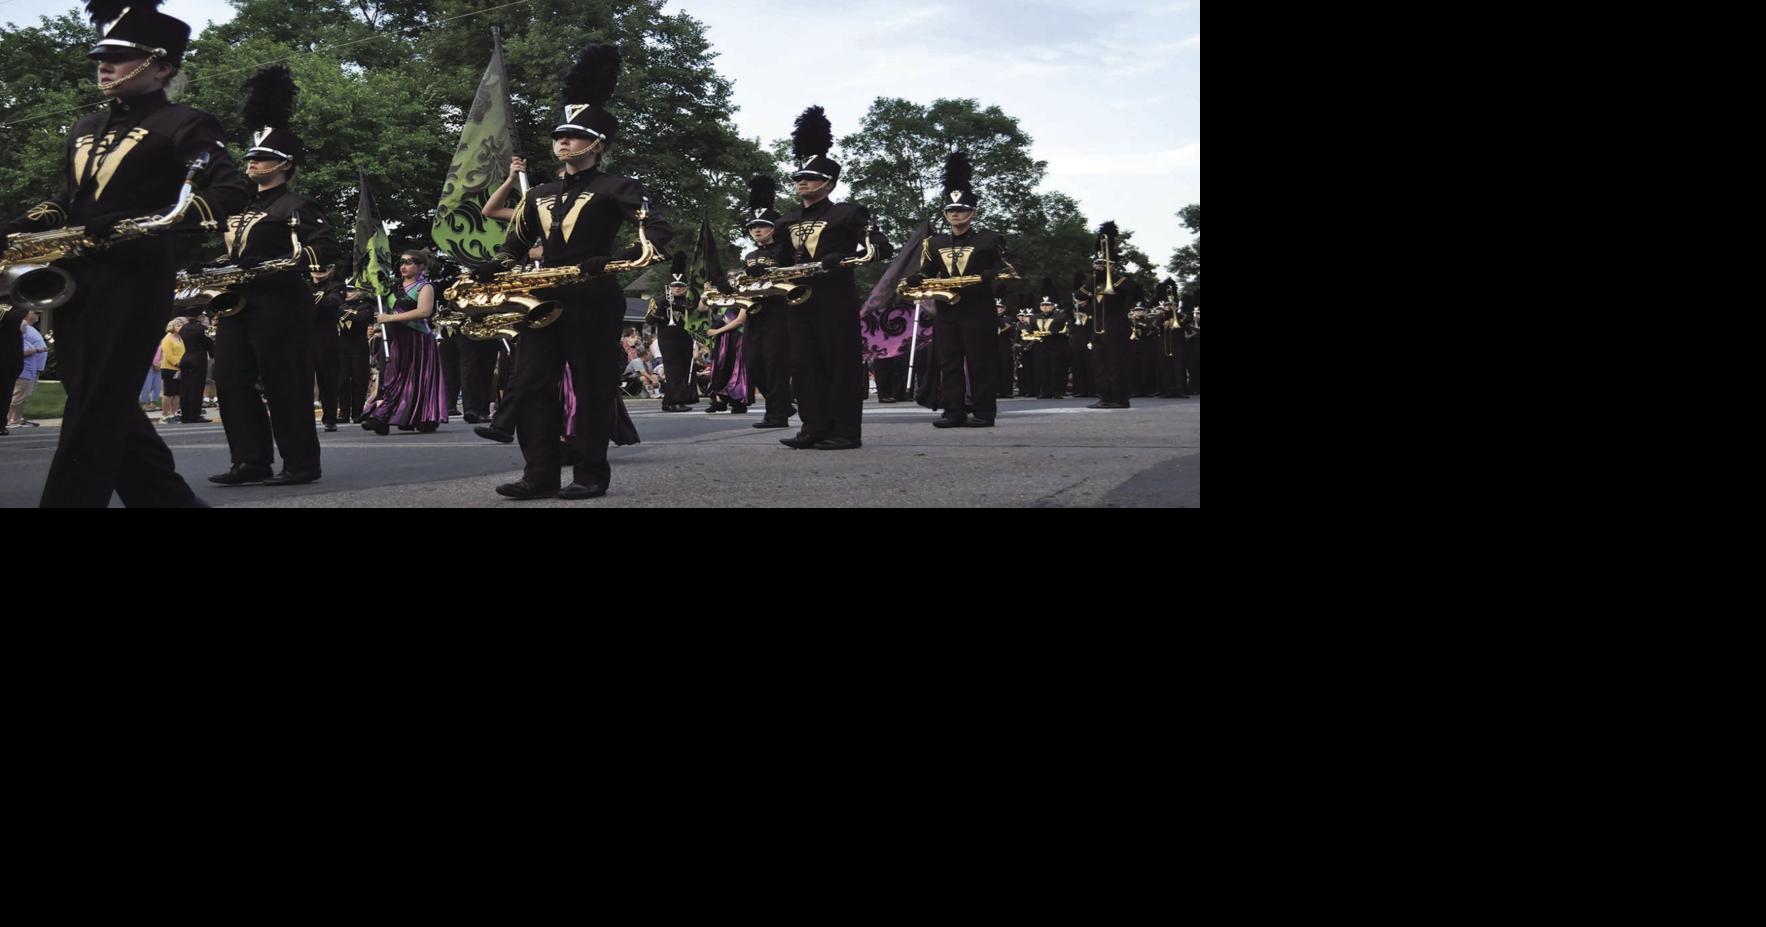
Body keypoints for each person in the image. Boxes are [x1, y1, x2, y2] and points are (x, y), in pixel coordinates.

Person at [0, 0, 250, 506]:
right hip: (73, 276)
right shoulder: (84, 126)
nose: (104, 65)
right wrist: (20, 227)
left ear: (161, 66)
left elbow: (231, 191)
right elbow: (68, 201)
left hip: (134, 275)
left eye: (118, 57)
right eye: (101, 56)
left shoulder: (187, 122)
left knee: (95, 404)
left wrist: (154, 223)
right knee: (99, 397)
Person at [475, 43, 671, 500]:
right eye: (560, 135)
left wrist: (622, 257)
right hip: (543, 296)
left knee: (592, 386)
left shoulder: (618, 187)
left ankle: (590, 475)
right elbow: (516, 243)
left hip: (593, 293)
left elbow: (654, 228)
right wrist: (498, 266)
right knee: (531, 383)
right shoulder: (539, 191)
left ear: (597, 143)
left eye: (575, 135)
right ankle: (537, 473)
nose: (563, 142)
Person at [206, 66, 339, 487]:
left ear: (284, 165)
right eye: (251, 157)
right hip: (236, 303)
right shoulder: (239, 206)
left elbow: (324, 246)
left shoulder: (297, 204)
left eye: (262, 157)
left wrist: (278, 263)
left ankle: (301, 464)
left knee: (285, 384)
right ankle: (250, 461)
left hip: (280, 302)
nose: (253, 162)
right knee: (230, 381)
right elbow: (227, 248)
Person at [766, 106, 888, 451]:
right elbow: (781, 258)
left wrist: (843, 259)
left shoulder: (848, 212)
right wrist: (765, 267)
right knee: (803, 364)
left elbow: (879, 247)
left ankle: (845, 431)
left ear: (829, 183)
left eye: (810, 178)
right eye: (798, 178)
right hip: (799, 300)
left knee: (840, 363)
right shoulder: (785, 221)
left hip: (835, 299)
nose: (801, 182)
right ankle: (813, 427)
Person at [906, 151, 1009, 429]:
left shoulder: (989, 239)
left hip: (978, 307)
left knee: (980, 361)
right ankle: (953, 411)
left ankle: (984, 412)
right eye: (951, 211)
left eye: (961, 210)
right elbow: (928, 270)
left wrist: (990, 275)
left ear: (972, 212)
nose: (955, 214)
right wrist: (918, 277)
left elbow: (1011, 267)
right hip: (947, 309)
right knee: (949, 361)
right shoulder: (935, 242)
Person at [361, 250, 448, 434]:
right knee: (389, 376)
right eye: (402, 262)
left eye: (409, 262)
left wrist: (390, 318)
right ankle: (385, 414)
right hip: (395, 338)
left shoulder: (425, 287)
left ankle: (397, 416)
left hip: (417, 340)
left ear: (421, 266)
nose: (404, 266)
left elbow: (424, 312)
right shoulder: (394, 287)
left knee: (412, 379)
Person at [737, 174, 796, 427]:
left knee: (775, 363)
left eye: (762, 226)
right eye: (752, 227)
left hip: (779, 312)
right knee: (752, 362)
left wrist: (771, 274)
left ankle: (777, 413)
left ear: (774, 227)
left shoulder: (786, 251)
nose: (757, 230)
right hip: (754, 313)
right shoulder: (749, 254)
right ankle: (783, 403)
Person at [6, 310, 49, 430]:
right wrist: (38, 350)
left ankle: (16, 419)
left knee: (22, 396)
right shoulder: (20, 335)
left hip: (31, 370)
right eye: (35, 313)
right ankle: (9, 419)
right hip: (24, 370)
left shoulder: (28, 330)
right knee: (17, 396)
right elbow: (20, 352)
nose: (37, 316)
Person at [177, 310, 212, 422]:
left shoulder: (184, 328)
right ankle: (194, 415)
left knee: (185, 388)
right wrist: (213, 351)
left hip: (186, 356)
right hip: (198, 358)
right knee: (196, 388)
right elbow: (208, 343)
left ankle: (185, 415)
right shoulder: (201, 329)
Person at [156, 318, 184, 424]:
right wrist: (178, 363)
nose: (180, 327)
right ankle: (165, 415)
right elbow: (168, 355)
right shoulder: (168, 338)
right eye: (178, 325)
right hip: (169, 368)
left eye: (181, 325)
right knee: (168, 392)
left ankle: (174, 413)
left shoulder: (181, 338)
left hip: (180, 368)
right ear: (172, 326)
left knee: (177, 393)